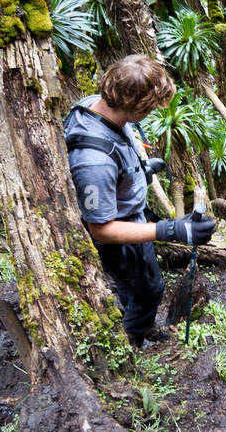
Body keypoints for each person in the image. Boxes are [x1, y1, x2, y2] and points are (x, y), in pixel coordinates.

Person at [65, 55, 216, 348]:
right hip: (120, 235)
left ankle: (139, 325)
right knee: (145, 290)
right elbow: (101, 229)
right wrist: (171, 230)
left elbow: (117, 153)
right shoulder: (93, 162)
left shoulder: (97, 104)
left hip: (132, 214)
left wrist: (141, 168)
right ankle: (133, 342)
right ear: (136, 107)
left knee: (143, 287)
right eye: (149, 108)